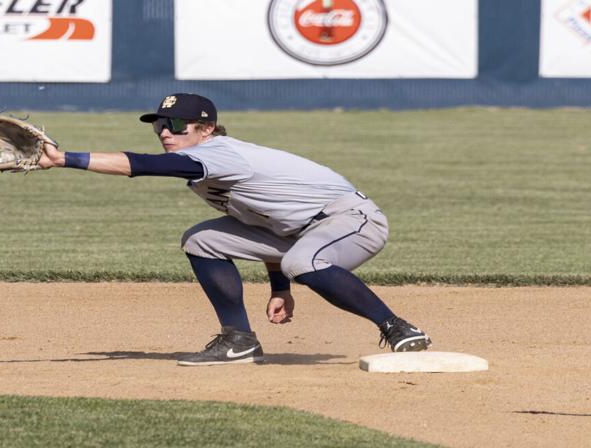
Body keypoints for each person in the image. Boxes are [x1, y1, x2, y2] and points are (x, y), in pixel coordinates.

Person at [35, 93, 430, 365]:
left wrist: (63, 159)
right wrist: (280, 289)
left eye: (176, 124)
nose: (166, 133)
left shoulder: (219, 154)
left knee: (302, 261)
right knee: (202, 240)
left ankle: (397, 327)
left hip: (352, 221)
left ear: (206, 129)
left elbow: (144, 165)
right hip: (302, 231)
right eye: (160, 126)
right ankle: (238, 339)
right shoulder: (203, 168)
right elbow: (266, 223)